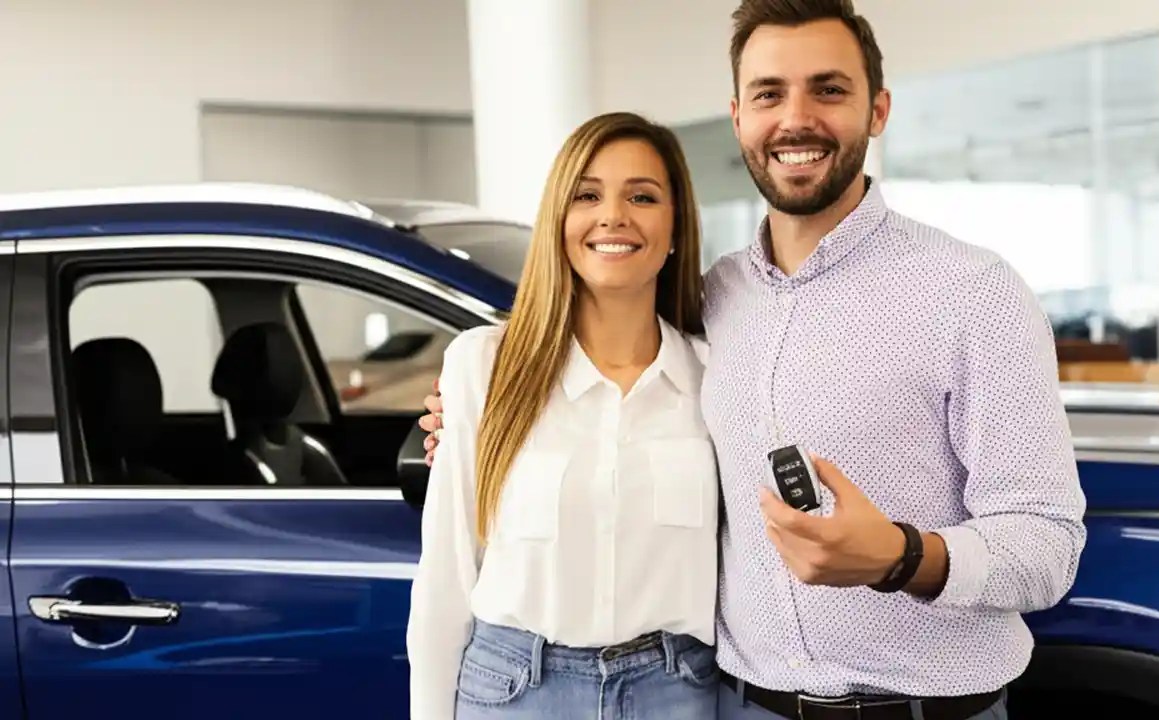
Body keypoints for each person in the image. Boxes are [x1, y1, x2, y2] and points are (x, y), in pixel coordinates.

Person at [423, 1, 1087, 718]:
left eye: (829, 90)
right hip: (741, 707)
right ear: (738, 116)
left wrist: (901, 557)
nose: (795, 119)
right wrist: (476, 425)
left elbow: (1048, 546)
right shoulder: (714, 307)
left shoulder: (972, 293)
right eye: (770, 94)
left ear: (878, 110)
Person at [406, 111, 721, 720]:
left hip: (677, 694)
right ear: (559, 219)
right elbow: (445, 581)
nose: (613, 216)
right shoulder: (482, 367)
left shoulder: (716, 377)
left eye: (642, 196)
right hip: (514, 693)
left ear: (676, 226)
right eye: (587, 194)